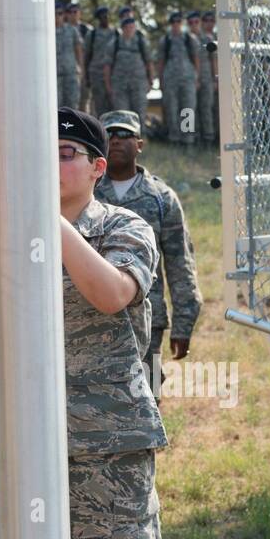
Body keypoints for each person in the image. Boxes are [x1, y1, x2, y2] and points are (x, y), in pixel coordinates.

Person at [0, 108, 165, 539]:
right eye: (42, 155)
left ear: (98, 168)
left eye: (66, 154)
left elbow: (112, 294)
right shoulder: (14, 235)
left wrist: (52, 223)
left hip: (107, 440)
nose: (51, 165)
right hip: (28, 436)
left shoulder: (123, 227)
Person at [95, 110, 201, 396]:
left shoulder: (161, 198)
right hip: (89, 316)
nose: (116, 141)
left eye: (124, 135)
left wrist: (184, 322)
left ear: (139, 144)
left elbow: (181, 263)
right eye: (109, 135)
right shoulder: (84, 193)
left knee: (145, 400)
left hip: (146, 319)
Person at [159, 11, 199, 146]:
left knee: (187, 109)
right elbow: (161, 62)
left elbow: (196, 59)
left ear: (181, 23)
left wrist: (196, 78)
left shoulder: (190, 39)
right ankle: (174, 139)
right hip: (170, 80)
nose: (176, 25)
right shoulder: (165, 40)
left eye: (178, 22)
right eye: (173, 22)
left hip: (187, 79)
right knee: (172, 108)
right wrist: (161, 81)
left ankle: (188, 140)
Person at [104, 11, 151, 122]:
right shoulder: (114, 44)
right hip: (119, 85)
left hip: (138, 84)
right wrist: (108, 85)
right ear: (123, 28)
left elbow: (149, 62)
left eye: (132, 27)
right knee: (122, 114)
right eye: (128, 27)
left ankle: (141, 136)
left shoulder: (141, 42)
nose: (130, 29)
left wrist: (150, 81)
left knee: (140, 112)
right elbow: (107, 66)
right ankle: (124, 138)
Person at [83, 7, 114, 117]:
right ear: (99, 18)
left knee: (114, 105)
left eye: (107, 16)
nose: (106, 18)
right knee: (100, 106)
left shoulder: (116, 33)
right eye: (103, 16)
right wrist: (86, 77)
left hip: (113, 75)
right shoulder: (92, 35)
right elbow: (86, 57)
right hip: (96, 74)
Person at [55, 4, 83, 109]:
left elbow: (78, 50)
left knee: (72, 104)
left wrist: (81, 68)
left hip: (71, 74)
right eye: (55, 14)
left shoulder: (72, 30)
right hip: (55, 75)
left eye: (60, 13)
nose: (58, 16)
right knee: (56, 106)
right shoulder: (48, 31)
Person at [197, 10, 218, 145]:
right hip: (197, 79)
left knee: (210, 109)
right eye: (206, 20)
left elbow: (214, 61)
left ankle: (211, 138)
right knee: (196, 108)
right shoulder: (197, 38)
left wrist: (215, 79)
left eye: (212, 20)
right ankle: (197, 137)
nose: (209, 23)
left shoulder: (216, 37)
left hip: (210, 80)